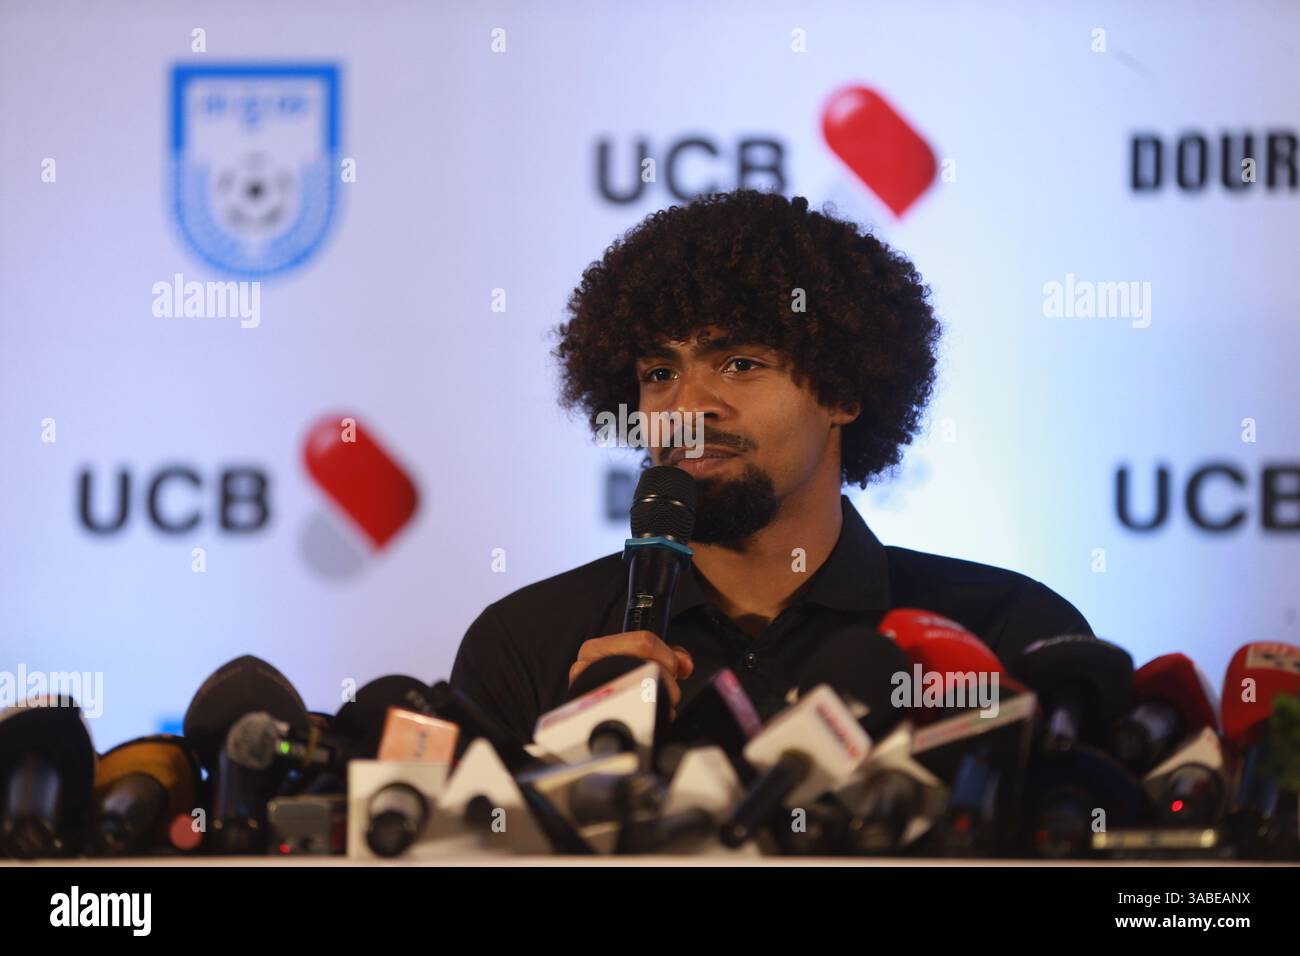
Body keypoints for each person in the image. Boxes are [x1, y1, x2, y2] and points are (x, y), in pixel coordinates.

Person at [451, 189, 1091, 744]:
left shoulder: (1008, 633)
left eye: (740, 365)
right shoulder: (527, 643)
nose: (688, 408)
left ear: (842, 392)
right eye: (660, 373)